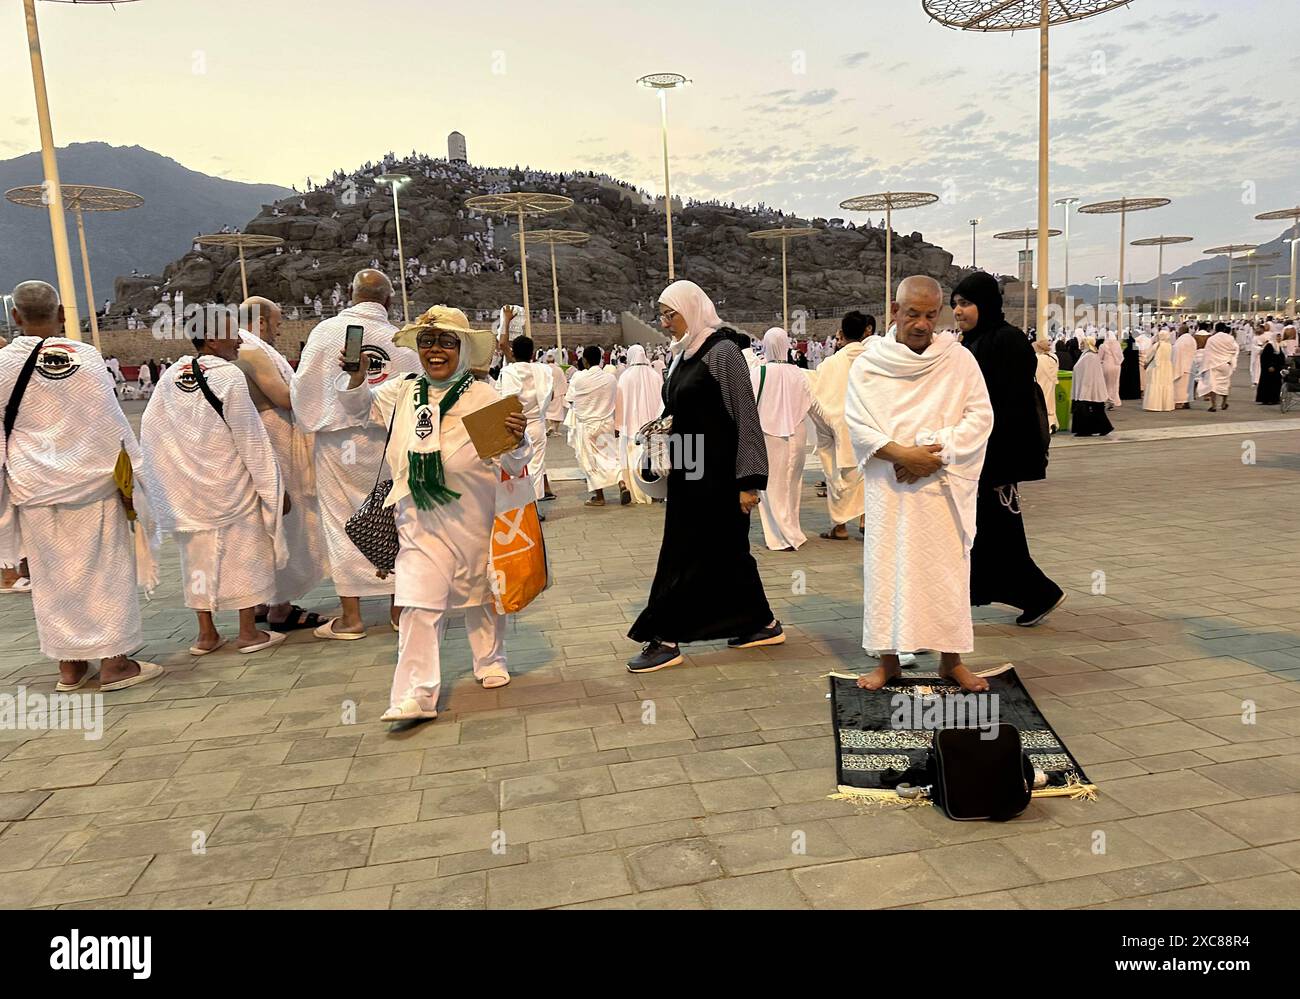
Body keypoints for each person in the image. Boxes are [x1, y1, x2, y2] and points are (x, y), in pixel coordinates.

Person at [336, 306, 532, 721]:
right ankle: (416, 695)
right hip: (417, 520)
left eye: (446, 341)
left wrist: (517, 440)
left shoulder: (482, 396)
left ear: (461, 348)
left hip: (475, 516)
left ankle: (490, 659)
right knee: (417, 605)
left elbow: (512, 465)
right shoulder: (403, 391)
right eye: (427, 342)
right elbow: (357, 409)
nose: (435, 350)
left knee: (482, 593)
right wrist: (354, 378)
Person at [0, 281, 162, 691]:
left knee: (52, 577)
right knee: (104, 572)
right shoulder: (86, 359)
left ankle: (69, 667)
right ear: (62, 316)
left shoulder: (2, 365)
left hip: (34, 487)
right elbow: (113, 425)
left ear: (15, 317)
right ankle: (114, 663)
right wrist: (138, 479)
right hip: (91, 484)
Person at [846, 277, 993, 693]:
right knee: (886, 570)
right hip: (889, 485)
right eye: (913, 314)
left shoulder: (958, 361)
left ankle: (952, 661)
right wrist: (901, 455)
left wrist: (934, 454)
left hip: (941, 485)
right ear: (895, 311)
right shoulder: (870, 363)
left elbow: (980, 418)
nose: (922, 324)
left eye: (931, 315)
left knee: (947, 572)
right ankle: (888, 661)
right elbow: (857, 423)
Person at [627, 280, 782, 673]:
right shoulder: (684, 356)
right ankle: (761, 623)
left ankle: (664, 636)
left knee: (685, 554)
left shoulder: (722, 353)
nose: (664, 322)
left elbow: (745, 418)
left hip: (717, 476)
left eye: (670, 314)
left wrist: (750, 481)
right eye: (660, 314)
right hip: (689, 467)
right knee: (729, 553)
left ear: (691, 310)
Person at [141, 307, 288, 656]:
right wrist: (273, 489)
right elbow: (250, 439)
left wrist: (168, 480)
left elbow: (151, 430)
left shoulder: (171, 375)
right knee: (244, 554)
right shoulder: (229, 376)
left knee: (196, 560)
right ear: (210, 338)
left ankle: (206, 635)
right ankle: (248, 632)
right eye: (231, 333)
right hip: (229, 484)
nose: (238, 339)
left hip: (188, 490)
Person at [291, 269, 422, 639]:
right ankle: (399, 609)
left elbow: (302, 389)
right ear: (389, 300)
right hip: (387, 441)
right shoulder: (400, 339)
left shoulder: (324, 333)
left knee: (342, 523)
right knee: (395, 518)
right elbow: (415, 391)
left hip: (338, 444)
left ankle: (352, 618)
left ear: (350, 296)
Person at [951, 271, 1065, 627]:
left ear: (986, 304)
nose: (958, 311)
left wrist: (998, 463)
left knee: (998, 537)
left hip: (994, 460)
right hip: (975, 457)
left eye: (966, 303)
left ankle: (1038, 593)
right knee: (985, 536)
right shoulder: (973, 341)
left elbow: (1007, 408)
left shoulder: (1006, 341)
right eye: (955, 304)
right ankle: (1028, 594)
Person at [238, 296, 328, 630]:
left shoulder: (234, 350)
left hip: (253, 441)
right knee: (284, 523)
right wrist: (319, 380)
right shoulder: (252, 351)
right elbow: (284, 398)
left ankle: (264, 599)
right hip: (272, 441)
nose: (277, 331)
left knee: (263, 524)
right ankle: (281, 606)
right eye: (276, 324)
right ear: (261, 323)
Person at [808, 311, 871, 541]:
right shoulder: (874, 358)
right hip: (868, 428)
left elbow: (819, 395)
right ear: (866, 331)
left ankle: (840, 526)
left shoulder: (831, 363)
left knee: (837, 477)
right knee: (866, 475)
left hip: (839, 426)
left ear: (841, 333)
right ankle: (865, 519)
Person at [751, 327, 811, 551]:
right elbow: (809, 402)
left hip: (770, 435)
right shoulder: (799, 373)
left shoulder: (759, 372)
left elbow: (750, 404)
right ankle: (793, 530)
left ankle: (781, 536)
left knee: (771, 487)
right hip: (798, 433)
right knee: (792, 485)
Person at [494, 306, 553, 501]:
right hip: (537, 424)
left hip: (515, 425)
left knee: (515, 466)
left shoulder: (510, 371)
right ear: (533, 352)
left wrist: (507, 321)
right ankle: (534, 504)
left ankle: (523, 502)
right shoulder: (543, 371)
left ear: (513, 352)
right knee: (536, 465)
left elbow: (502, 344)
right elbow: (549, 397)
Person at [565, 345, 625, 506]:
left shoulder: (578, 377)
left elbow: (570, 399)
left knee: (591, 461)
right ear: (601, 359)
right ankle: (622, 483)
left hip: (587, 425)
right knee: (611, 457)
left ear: (584, 360)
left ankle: (599, 497)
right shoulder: (611, 378)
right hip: (606, 423)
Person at [615, 344, 664, 505]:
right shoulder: (655, 376)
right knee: (650, 459)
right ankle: (654, 492)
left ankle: (636, 493)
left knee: (631, 459)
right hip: (652, 427)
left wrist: (619, 425)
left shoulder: (625, 377)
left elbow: (620, 403)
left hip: (630, 427)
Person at [1071, 338, 1114, 436]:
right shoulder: (1088, 355)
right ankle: (1102, 428)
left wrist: (1085, 389)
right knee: (1096, 410)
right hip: (1089, 388)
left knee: (1087, 410)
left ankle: (1086, 430)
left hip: (1088, 388)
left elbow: (1088, 374)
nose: (1081, 344)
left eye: (1083, 343)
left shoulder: (1089, 356)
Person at [1198, 322, 1239, 412]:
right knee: (1225, 384)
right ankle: (1224, 403)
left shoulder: (1211, 339)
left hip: (1213, 364)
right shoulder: (1230, 338)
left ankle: (1214, 405)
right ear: (1224, 329)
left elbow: (1207, 353)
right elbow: (1233, 350)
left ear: (1215, 329)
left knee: (1213, 385)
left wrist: (1204, 365)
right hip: (1225, 364)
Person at [1142, 329, 1176, 412]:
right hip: (1167, 368)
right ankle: (1166, 406)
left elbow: (1148, 356)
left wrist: (1145, 362)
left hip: (1156, 367)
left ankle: (1154, 405)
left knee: (1155, 384)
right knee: (1166, 384)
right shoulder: (1170, 346)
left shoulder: (1157, 345)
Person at [544, 349, 570, 447]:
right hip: (558, 393)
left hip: (548, 394)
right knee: (558, 413)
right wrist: (565, 390)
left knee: (549, 412)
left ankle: (551, 426)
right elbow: (564, 380)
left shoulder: (545, 369)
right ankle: (555, 428)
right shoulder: (558, 369)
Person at [1033, 338, 1059, 433]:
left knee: (1042, 404)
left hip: (1040, 384)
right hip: (1051, 384)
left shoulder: (1038, 358)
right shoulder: (1054, 357)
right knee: (1051, 403)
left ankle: (1046, 426)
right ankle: (1053, 423)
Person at [1255, 328, 1284, 405]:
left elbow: (1281, 356)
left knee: (1275, 384)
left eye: (1280, 337)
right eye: (1278, 337)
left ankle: (1274, 399)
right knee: (1267, 384)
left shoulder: (1277, 346)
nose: (1279, 338)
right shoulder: (1269, 345)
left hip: (1276, 369)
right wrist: (1269, 366)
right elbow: (1265, 357)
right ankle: (1266, 399)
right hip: (1269, 370)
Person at [1172, 324, 1197, 408]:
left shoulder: (1181, 340)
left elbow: (1176, 352)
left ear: (1182, 331)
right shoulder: (1191, 339)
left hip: (1182, 365)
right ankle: (1187, 402)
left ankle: (1180, 403)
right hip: (1190, 365)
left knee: (1180, 387)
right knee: (1188, 387)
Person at [1099, 333, 1123, 409]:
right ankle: (1114, 400)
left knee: (1106, 384)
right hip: (1116, 366)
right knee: (1115, 384)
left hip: (1107, 365)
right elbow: (1121, 357)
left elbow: (1099, 357)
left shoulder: (1103, 346)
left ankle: (1107, 400)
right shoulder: (1117, 345)